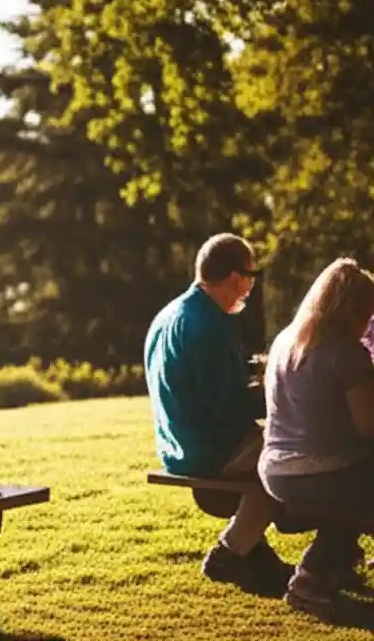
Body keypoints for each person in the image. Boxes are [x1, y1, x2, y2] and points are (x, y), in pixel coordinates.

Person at [143, 233, 291, 591]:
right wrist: (280, 388)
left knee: (280, 451)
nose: (250, 289)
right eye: (251, 278)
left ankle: (254, 554)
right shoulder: (210, 324)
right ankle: (232, 552)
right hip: (210, 448)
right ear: (235, 277)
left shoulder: (170, 314)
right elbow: (230, 408)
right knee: (292, 457)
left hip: (175, 446)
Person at [260, 258, 374, 617]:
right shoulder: (348, 355)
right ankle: (309, 579)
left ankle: (337, 565)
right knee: (362, 487)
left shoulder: (285, 341)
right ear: (354, 310)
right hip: (319, 474)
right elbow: (368, 426)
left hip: (274, 469)